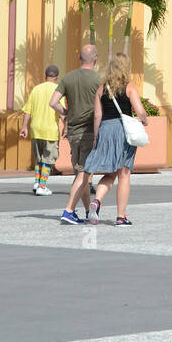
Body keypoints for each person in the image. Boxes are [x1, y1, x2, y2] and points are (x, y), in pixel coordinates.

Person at [80, 53, 149, 226]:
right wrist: (144, 119)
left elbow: (97, 115)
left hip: (105, 129)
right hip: (122, 130)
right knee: (124, 173)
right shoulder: (129, 87)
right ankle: (120, 216)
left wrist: (97, 136)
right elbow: (140, 111)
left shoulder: (101, 88)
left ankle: (97, 201)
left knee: (109, 173)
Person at [53, 44, 102, 225]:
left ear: (79, 58)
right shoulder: (98, 79)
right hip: (89, 131)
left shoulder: (68, 78)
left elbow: (53, 102)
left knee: (81, 174)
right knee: (84, 173)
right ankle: (68, 210)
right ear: (95, 59)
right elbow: (102, 108)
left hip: (73, 132)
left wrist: (65, 113)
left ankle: (89, 211)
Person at [20, 64, 64, 195]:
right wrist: (67, 127)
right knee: (48, 159)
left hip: (36, 128)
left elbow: (28, 110)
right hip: (50, 130)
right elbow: (61, 112)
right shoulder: (59, 90)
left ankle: (37, 182)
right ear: (57, 77)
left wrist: (24, 127)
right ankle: (42, 186)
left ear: (45, 76)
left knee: (39, 158)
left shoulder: (36, 89)